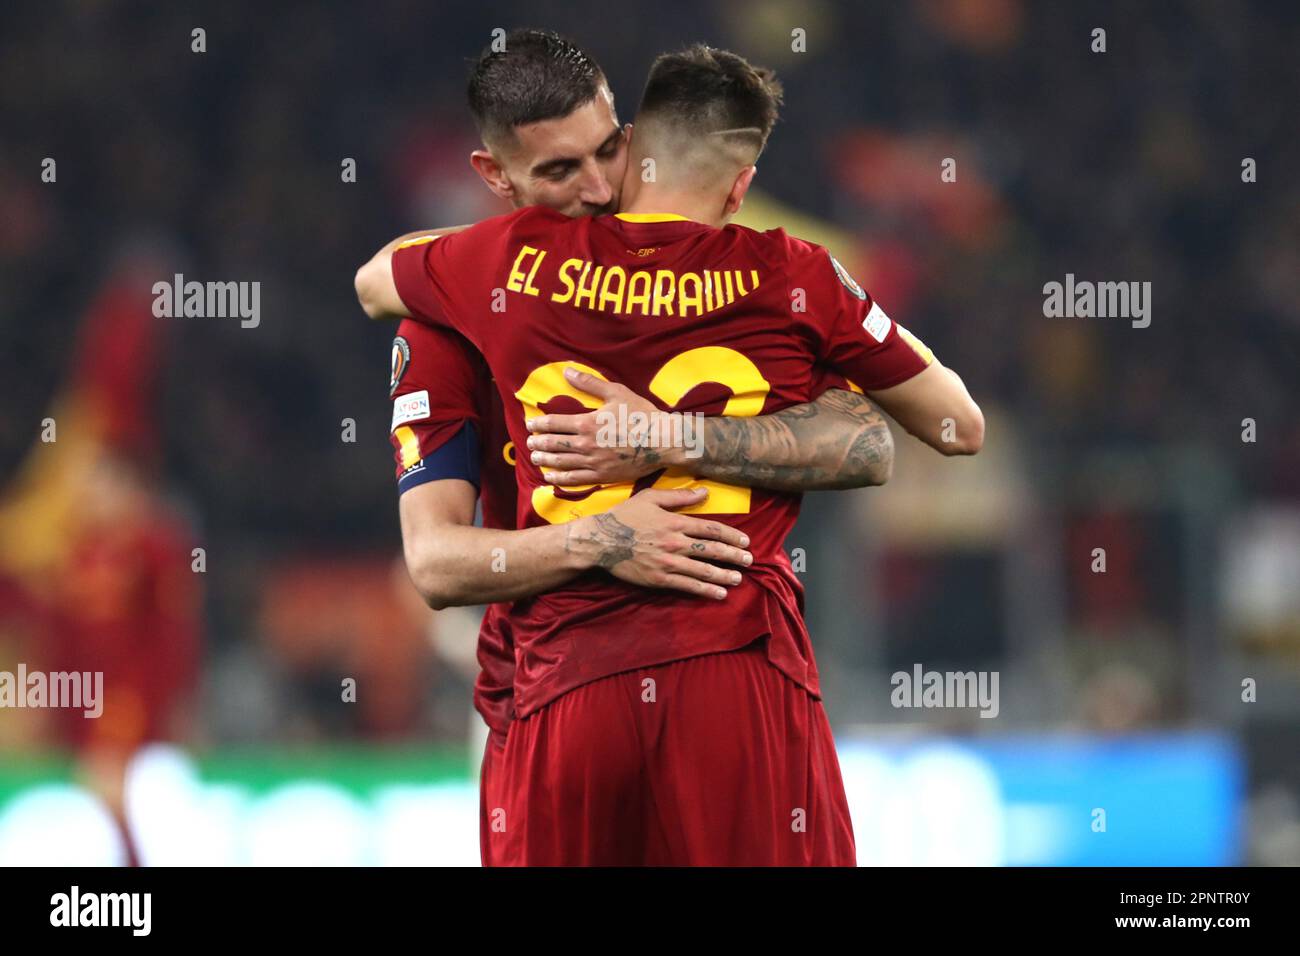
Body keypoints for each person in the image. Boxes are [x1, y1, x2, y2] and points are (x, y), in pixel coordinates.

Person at [357, 43, 983, 864]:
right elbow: (948, 426)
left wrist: (664, 434)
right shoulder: (789, 275)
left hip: (567, 693)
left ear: (634, 140)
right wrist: (608, 535)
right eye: (559, 170)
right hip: (710, 672)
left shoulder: (491, 265)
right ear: (495, 176)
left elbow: (374, 277)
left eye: (607, 152)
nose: (594, 187)